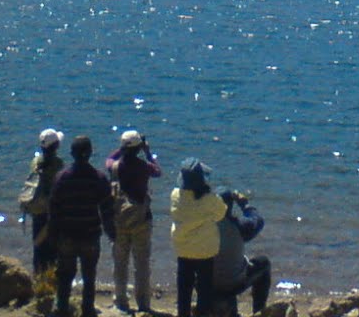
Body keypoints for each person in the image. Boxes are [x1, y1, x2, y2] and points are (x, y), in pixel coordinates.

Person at [47, 134, 117, 317]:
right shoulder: (99, 178)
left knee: (65, 276)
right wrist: (112, 234)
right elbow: (107, 210)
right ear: (90, 153)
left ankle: (61, 309)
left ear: (72, 153)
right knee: (89, 276)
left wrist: (52, 236)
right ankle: (87, 310)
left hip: (67, 235)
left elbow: (54, 210)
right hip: (90, 234)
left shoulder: (61, 178)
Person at [105, 129, 163, 312]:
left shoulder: (114, 166)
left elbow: (109, 159)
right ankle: (143, 304)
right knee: (142, 264)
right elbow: (158, 171)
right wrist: (147, 152)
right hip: (141, 219)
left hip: (119, 219)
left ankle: (121, 301)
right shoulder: (143, 167)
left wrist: (121, 149)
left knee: (120, 262)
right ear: (138, 148)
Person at [170, 158, 227, 317]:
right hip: (205, 250)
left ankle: (183, 314)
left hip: (183, 247)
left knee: (184, 287)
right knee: (204, 288)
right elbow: (221, 213)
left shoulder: (175, 195)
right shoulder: (210, 199)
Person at [211, 188, 270, 317]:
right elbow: (258, 220)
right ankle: (258, 311)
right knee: (264, 263)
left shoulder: (203, 226)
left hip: (208, 283)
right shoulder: (239, 226)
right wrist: (245, 204)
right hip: (234, 283)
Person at [23, 128, 65, 276]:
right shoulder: (58, 164)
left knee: (39, 249)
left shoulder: (35, 162)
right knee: (54, 252)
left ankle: (38, 280)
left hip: (37, 210)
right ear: (56, 146)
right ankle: (51, 283)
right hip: (52, 213)